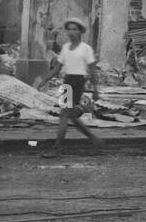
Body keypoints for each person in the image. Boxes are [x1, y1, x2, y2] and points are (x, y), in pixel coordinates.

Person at [40, 17, 103, 157]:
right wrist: (44, 80)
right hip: (67, 81)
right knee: (70, 116)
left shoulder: (86, 49)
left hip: (78, 82)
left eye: (74, 29)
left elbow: (92, 70)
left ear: (80, 32)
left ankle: (57, 148)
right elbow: (57, 68)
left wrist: (96, 90)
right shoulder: (66, 49)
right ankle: (94, 139)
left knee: (64, 114)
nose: (71, 32)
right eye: (69, 29)